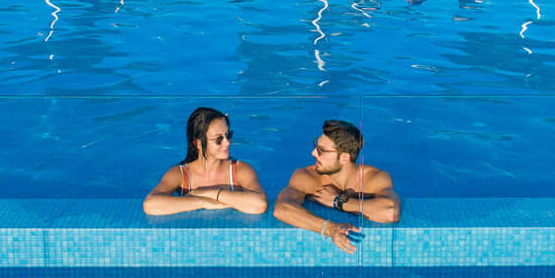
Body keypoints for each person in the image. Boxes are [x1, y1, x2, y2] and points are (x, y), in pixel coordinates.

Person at [272, 119, 399, 253]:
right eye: (316, 146)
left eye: (322, 150)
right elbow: (281, 209)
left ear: (344, 157)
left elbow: (391, 211)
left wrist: (337, 202)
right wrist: (330, 229)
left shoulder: (373, 178)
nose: (313, 153)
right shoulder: (307, 176)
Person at [144, 107, 268, 216]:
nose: (227, 142)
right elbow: (150, 204)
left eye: (228, 135)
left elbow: (259, 204)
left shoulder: (240, 170)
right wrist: (202, 201)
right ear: (197, 143)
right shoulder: (181, 174)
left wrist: (211, 193)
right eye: (218, 139)